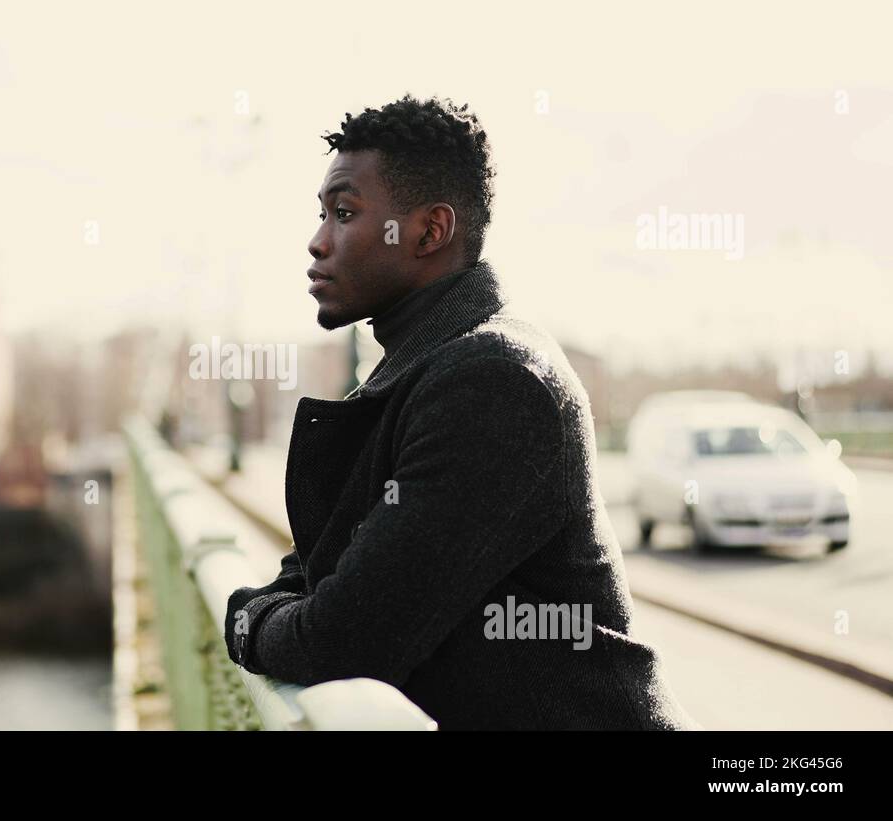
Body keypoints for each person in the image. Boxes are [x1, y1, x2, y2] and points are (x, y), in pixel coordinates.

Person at [224, 94, 697, 730]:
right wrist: (273, 613)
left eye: (344, 213)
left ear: (429, 231)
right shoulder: (424, 372)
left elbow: (343, 639)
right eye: (322, 214)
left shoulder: (494, 381)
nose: (317, 242)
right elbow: (319, 576)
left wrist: (245, 620)